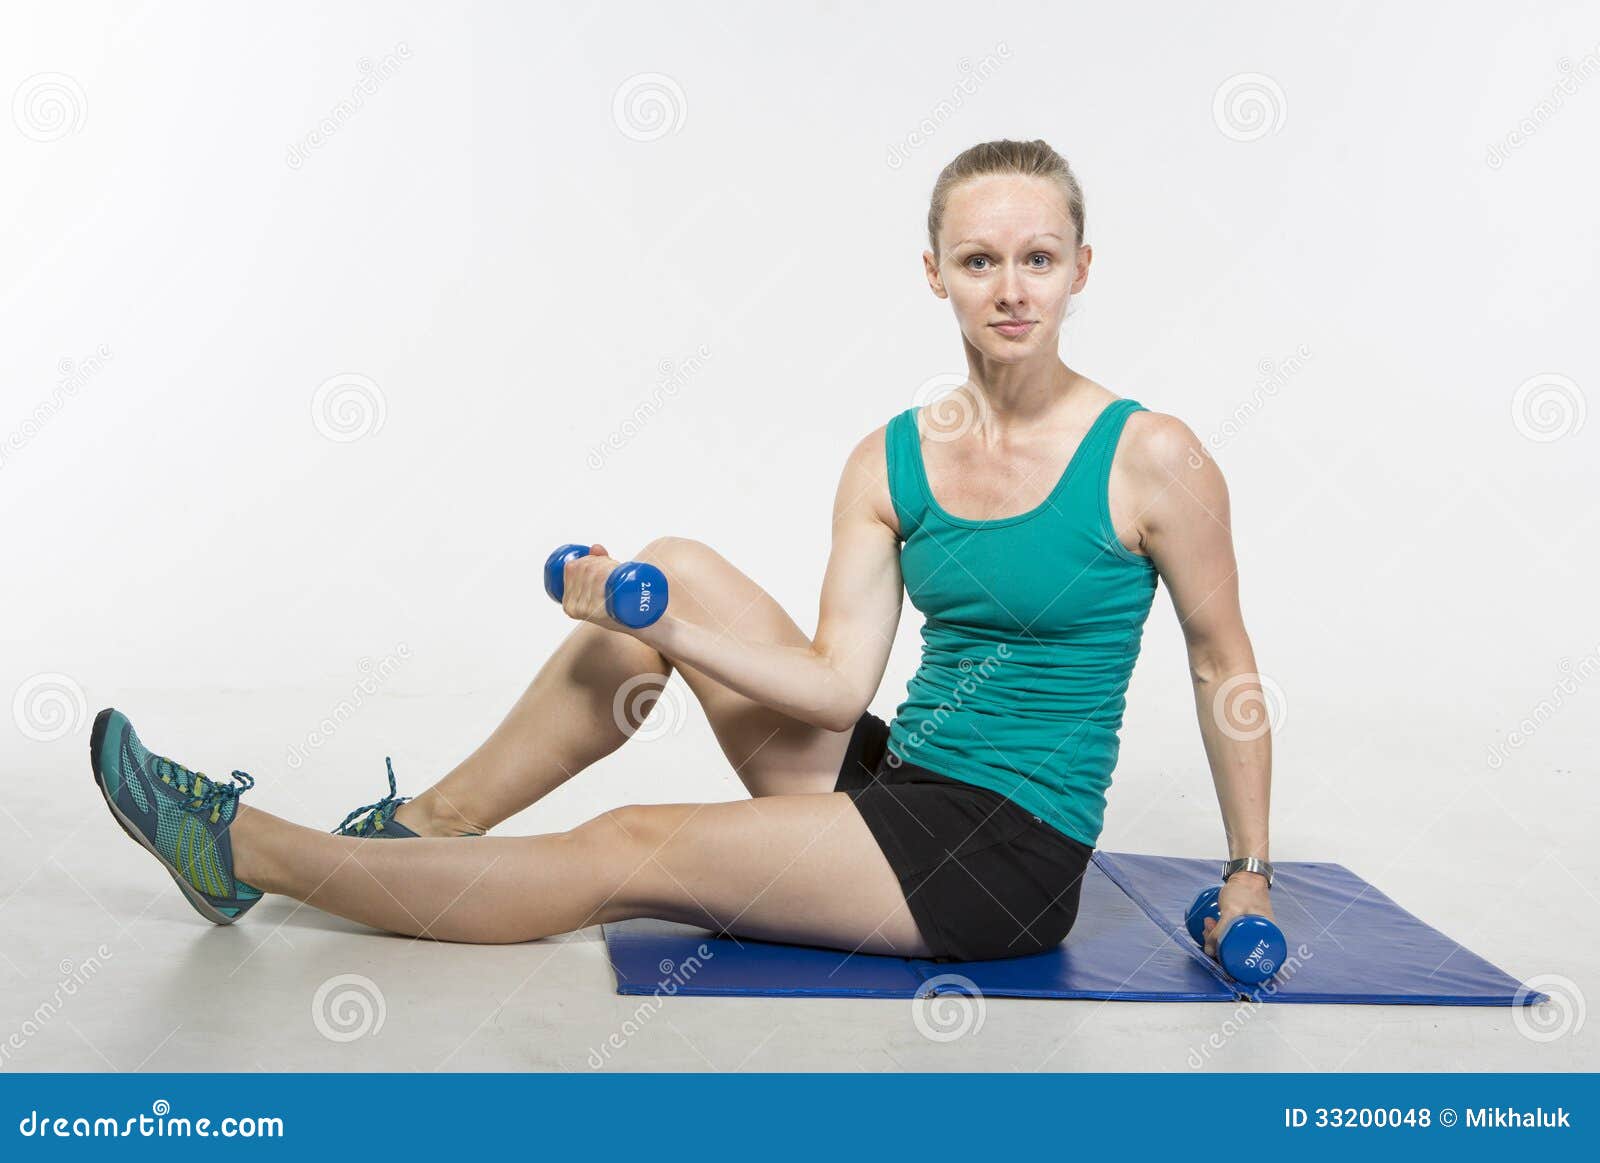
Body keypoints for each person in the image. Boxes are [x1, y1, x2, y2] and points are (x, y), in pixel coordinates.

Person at [90, 138, 1274, 964]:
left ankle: (244, 847)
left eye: (1037, 258)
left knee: (631, 847)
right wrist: (660, 623)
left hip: (1000, 856)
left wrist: (1249, 870)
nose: (1011, 290)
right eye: (979, 261)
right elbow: (831, 683)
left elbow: (1224, 666)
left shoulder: (1149, 457)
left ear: (1079, 269)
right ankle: (426, 829)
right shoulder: (891, 458)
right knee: (680, 561)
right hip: (897, 782)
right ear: (935, 277)